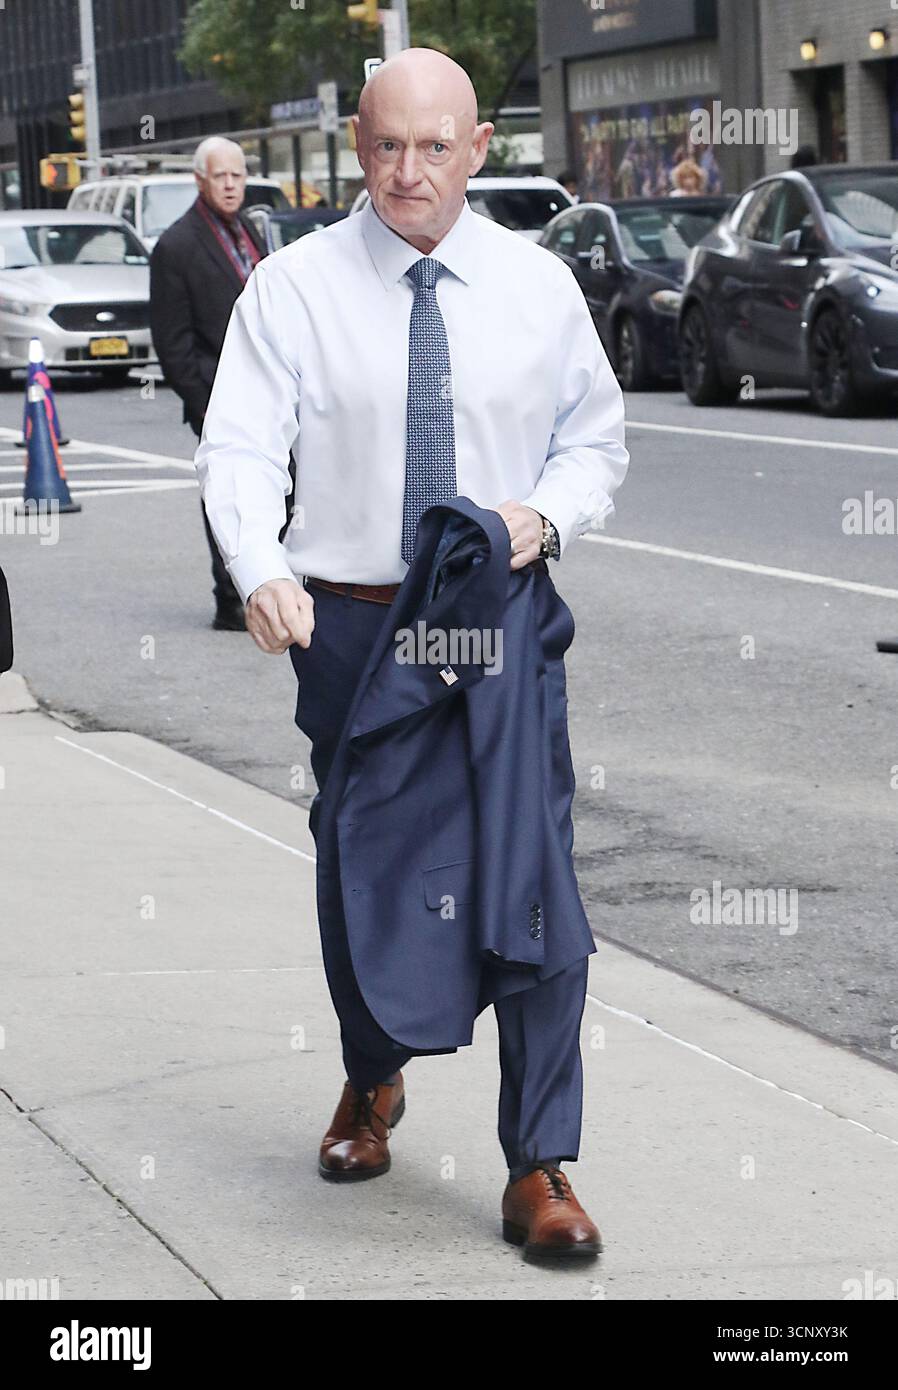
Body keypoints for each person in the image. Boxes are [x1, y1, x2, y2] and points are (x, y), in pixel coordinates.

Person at [195, 48, 629, 1261]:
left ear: (477, 148)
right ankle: (372, 1076)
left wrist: (545, 516)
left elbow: (594, 442)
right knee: (364, 863)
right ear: (357, 148)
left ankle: (540, 1160)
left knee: (533, 867)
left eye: (434, 146)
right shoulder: (292, 289)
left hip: (499, 614)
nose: (408, 171)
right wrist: (260, 565)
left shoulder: (537, 288)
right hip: (352, 627)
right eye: (386, 146)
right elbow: (236, 447)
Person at [149, 137, 267, 631]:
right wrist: (202, 401)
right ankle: (230, 598)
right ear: (200, 180)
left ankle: (265, 584)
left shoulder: (249, 233)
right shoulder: (176, 245)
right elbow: (172, 343)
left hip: (268, 393)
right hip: (215, 395)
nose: (230, 185)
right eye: (220, 176)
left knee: (274, 493)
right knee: (227, 493)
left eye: (237, 176)